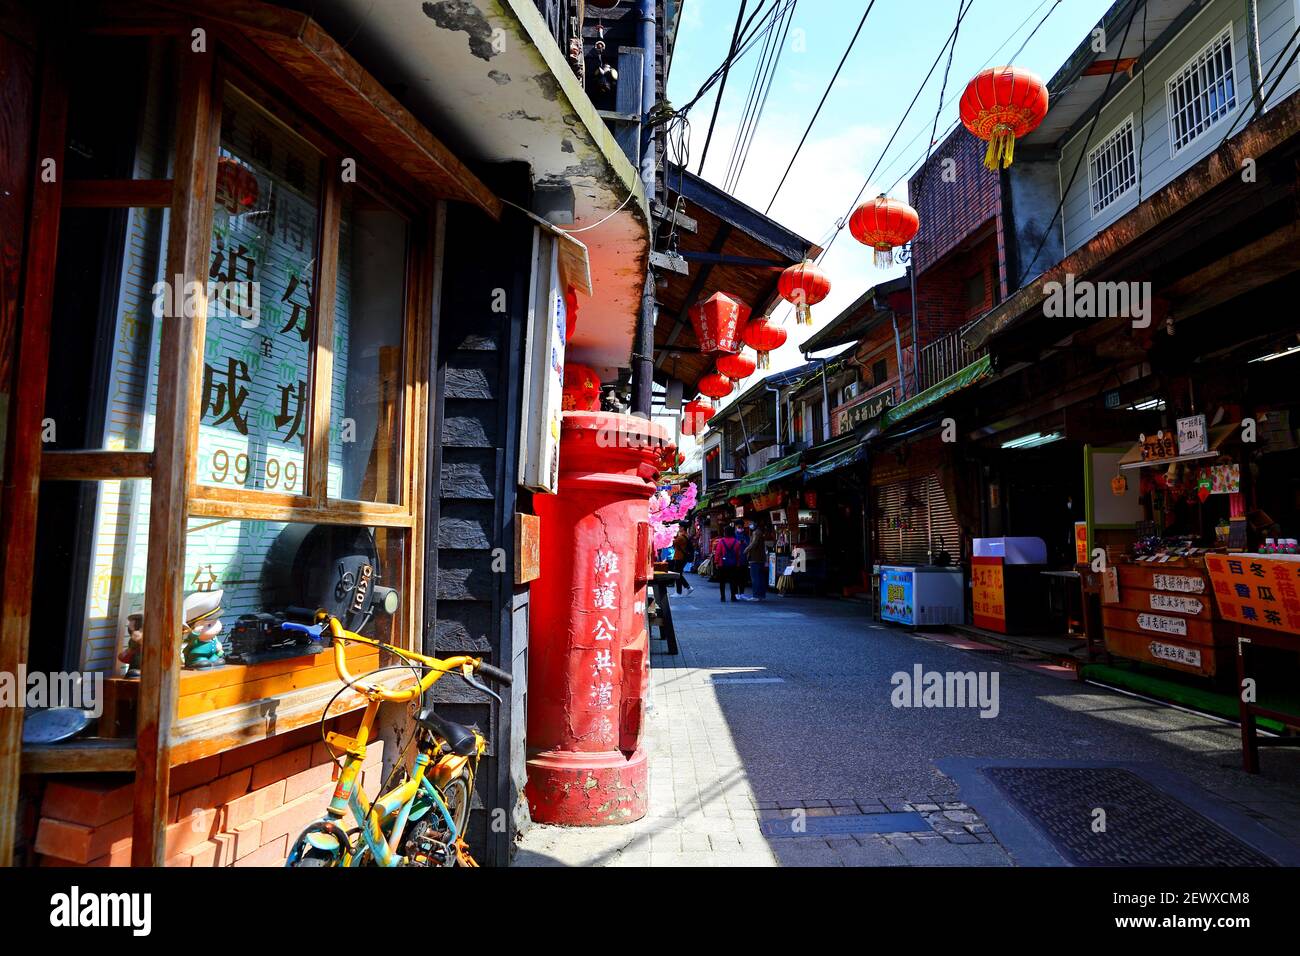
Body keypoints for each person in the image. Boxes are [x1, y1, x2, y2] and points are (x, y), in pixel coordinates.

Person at [711, 523, 744, 602]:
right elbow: (738, 554)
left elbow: (718, 553)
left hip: (722, 564)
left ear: (725, 532)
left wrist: (716, 562)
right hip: (733, 564)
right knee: (733, 581)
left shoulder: (721, 541)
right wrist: (738, 563)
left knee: (722, 581)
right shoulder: (736, 542)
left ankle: (723, 597)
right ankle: (733, 597)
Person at [745, 525, 768, 601]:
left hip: (755, 558)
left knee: (755, 578)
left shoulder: (756, 533)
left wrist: (746, 550)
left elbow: (754, 543)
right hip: (761, 559)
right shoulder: (760, 532)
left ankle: (756, 595)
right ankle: (761, 595)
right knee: (760, 577)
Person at [671, 527, 694, 595]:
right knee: (679, 574)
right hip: (682, 557)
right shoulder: (685, 536)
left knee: (677, 574)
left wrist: (675, 536)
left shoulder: (681, 537)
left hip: (679, 557)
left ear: (682, 528)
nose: (678, 528)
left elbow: (673, 543)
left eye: (680, 527)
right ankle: (687, 588)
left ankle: (679, 592)